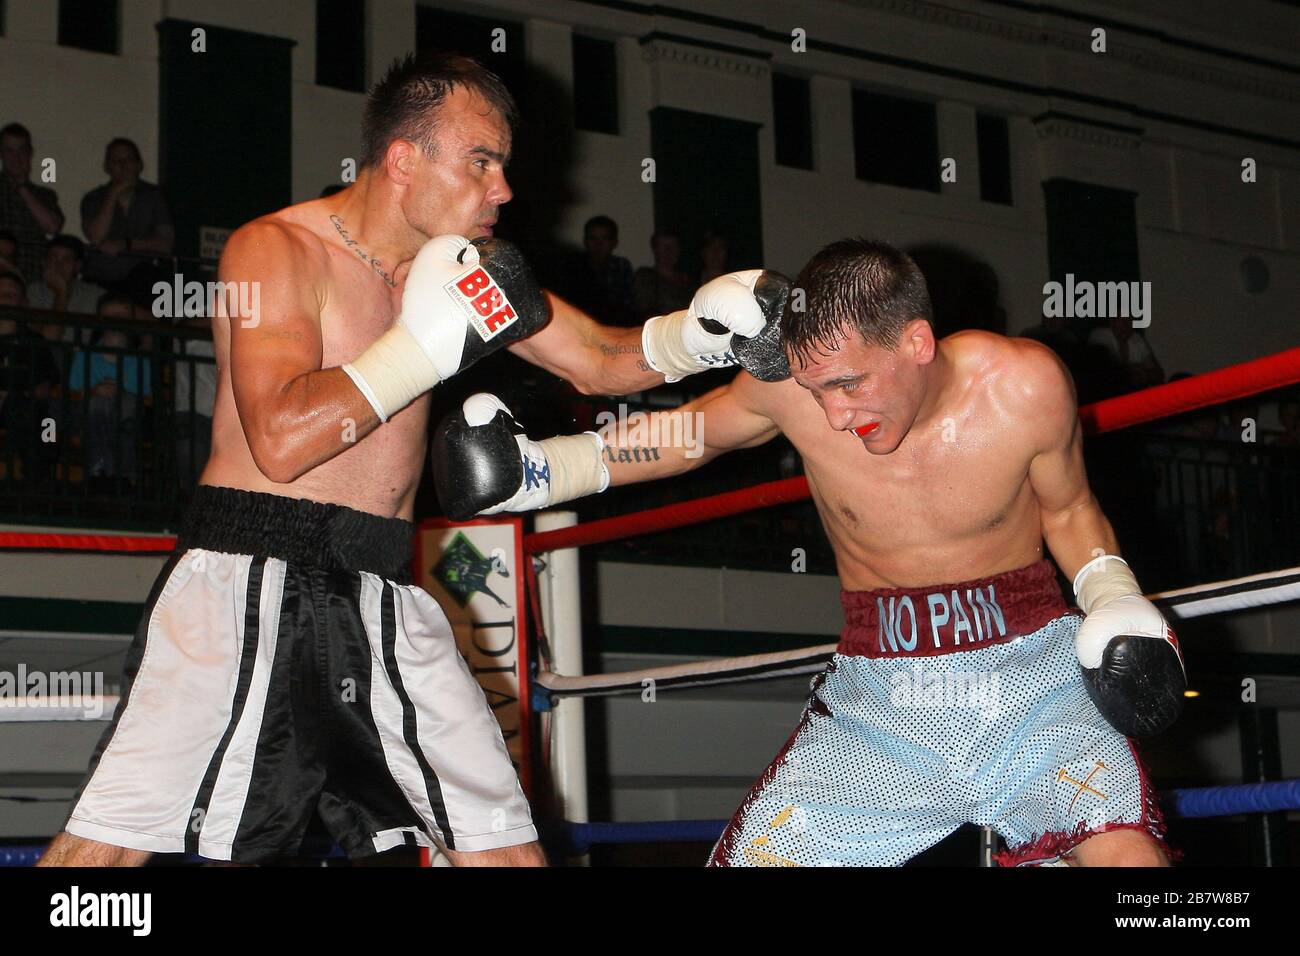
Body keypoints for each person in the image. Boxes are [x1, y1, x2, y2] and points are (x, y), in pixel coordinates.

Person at [38, 53, 767, 868]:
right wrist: (417, 351)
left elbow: (599, 359)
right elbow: (281, 442)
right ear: (403, 159)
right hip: (245, 577)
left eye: (503, 166)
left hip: (384, 588)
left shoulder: (466, 272)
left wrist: (698, 336)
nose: (504, 190)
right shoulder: (277, 250)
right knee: (105, 853)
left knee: (506, 851)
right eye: (481, 162)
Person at [442, 239, 1185, 867]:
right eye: (816, 389)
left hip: (1033, 680)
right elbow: (691, 436)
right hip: (882, 702)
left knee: (1130, 863)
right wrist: (553, 468)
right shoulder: (796, 392)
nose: (833, 414)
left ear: (917, 343)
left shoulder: (1024, 386)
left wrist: (1114, 595)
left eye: (850, 384)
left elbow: (1071, 509)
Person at [67, 291, 152, 489]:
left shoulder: (139, 360)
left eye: (121, 317)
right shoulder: (85, 355)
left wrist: (119, 393)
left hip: (127, 418)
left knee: (126, 404)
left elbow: (144, 397)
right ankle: (101, 470)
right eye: (109, 316)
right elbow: (72, 393)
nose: (115, 322)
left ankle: (119, 473)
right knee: (98, 403)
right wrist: (93, 391)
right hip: (86, 418)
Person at [79, 137, 175, 298]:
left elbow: (166, 244)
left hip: (142, 280)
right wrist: (113, 194)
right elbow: (96, 236)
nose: (123, 165)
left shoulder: (154, 196)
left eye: (128, 159)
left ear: (139, 165)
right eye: (116, 161)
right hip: (101, 276)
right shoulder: (93, 198)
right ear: (106, 167)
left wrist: (126, 244)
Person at [0, 123, 65, 283]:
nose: (16, 157)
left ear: (30, 153)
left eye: (22, 150)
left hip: (33, 276)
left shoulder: (45, 195)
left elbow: (53, 227)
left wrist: (22, 187)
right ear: (1, 154)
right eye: (10, 151)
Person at [558, 214, 634, 326]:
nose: (599, 244)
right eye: (593, 238)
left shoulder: (621, 266)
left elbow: (626, 305)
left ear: (614, 242)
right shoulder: (572, 266)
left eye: (605, 238)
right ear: (585, 241)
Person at [632, 228, 694, 320]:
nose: (668, 251)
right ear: (655, 249)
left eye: (673, 246)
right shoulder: (646, 277)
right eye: (663, 246)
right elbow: (646, 311)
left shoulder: (688, 280)